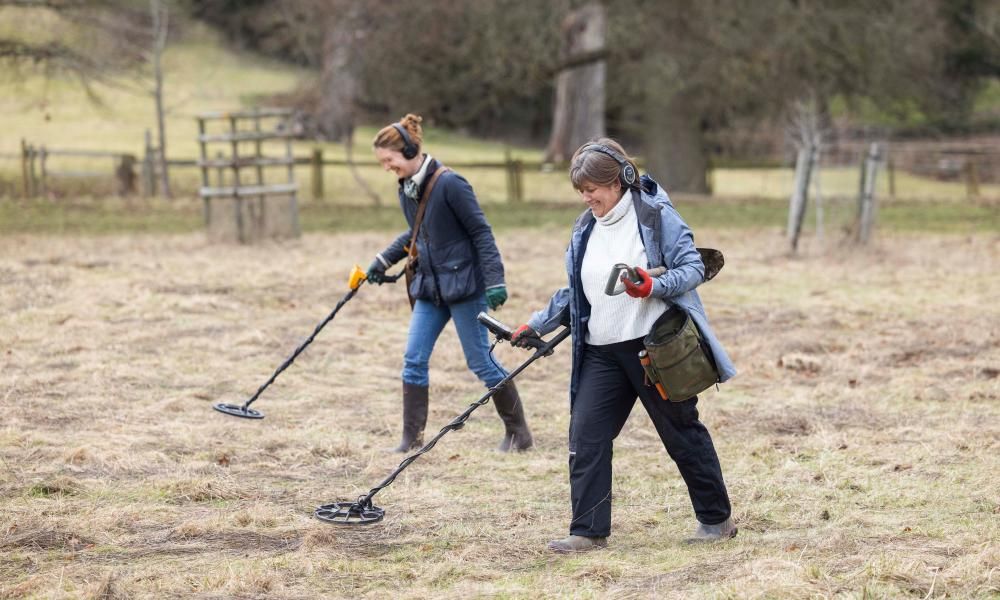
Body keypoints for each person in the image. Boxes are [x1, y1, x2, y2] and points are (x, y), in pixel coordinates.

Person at [511, 138, 737, 552]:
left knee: (681, 433)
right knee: (586, 436)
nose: (586, 197)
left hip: (655, 351)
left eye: (592, 189)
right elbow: (577, 289)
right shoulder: (585, 227)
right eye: (580, 191)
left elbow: (692, 267)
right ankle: (588, 531)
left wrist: (653, 284)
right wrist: (536, 323)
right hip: (601, 351)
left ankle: (716, 520)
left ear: (619, 181)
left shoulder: (655, 216)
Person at [365, 114, 533, 453]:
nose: (386, 167)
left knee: (480, 362)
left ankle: (519, 434)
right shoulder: (407, 188)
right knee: (413, 358)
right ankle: (410, 440)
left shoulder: (451, 184)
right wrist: (383, 260)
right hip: (430, 288)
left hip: (465, 287)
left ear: (410, 149)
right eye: (382, 162)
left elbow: (480, 232)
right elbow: (417, 234)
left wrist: (495, 280)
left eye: (389, 160)